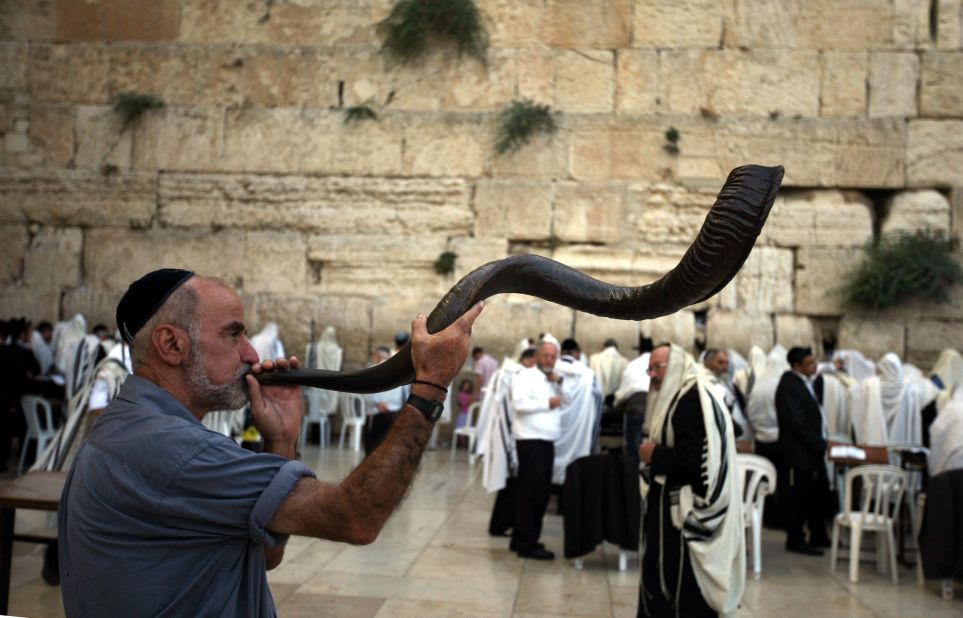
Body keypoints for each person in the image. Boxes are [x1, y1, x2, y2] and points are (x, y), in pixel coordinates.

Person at [58, 269, 483, 616]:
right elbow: (357, 517)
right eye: (233, 334)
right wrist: (429, 387)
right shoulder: (175, 452)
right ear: (172, 344)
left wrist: (280, 439)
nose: (250, 353)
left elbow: (263, 557)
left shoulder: (133, 426)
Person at [637, 344, 744, 617]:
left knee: (678, 592)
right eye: (650, 368)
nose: (652, 375)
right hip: (669, 510)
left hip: (681, 514)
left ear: (674, 367)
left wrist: (654, 454)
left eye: (657, 367)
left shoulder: (690, 399)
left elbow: (692, 462)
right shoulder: (680, 394)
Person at [510, 337, 564, 560]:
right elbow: (519, 404)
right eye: (546, 355)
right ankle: (527, 544)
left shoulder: (549, 378)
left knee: (532, 494)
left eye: (553, 356)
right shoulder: (526, 375)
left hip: (543, 441)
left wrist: (557, 383)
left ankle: (521, 539)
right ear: (537, 356)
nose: (550, 360)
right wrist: (546, 404)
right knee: (534, 495)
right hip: (532, 442)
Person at [775, 346, 830, 556]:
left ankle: (818, 534)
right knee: (797, 497)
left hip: (809, 452)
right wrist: (819, 443)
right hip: (799, 453)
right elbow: (796, 423)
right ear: (797, 366)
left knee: (814, 495)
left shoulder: (805, 382)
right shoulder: (790, 385)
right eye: (809, 363)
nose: (814, 366)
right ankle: (796, 539)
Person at [614, 337, 653, 464]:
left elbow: (622, 393)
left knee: (633, 448)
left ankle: (632, 478)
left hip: (635, 408)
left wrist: (616, 402)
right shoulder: (656, 364)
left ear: (639, 351)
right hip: (653, 408)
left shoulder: (632, 365)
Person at [703, 349, 748, 438]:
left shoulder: (726, 381)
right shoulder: (705, 383)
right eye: (720, 362)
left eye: (727, 363)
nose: (725, 366)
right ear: (708, 363)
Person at [589, 339, 629, 404]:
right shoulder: (625, 361)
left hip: (599, 401)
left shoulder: (594, 359)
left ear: (604, 347)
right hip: (617, 403)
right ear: (617, 348)